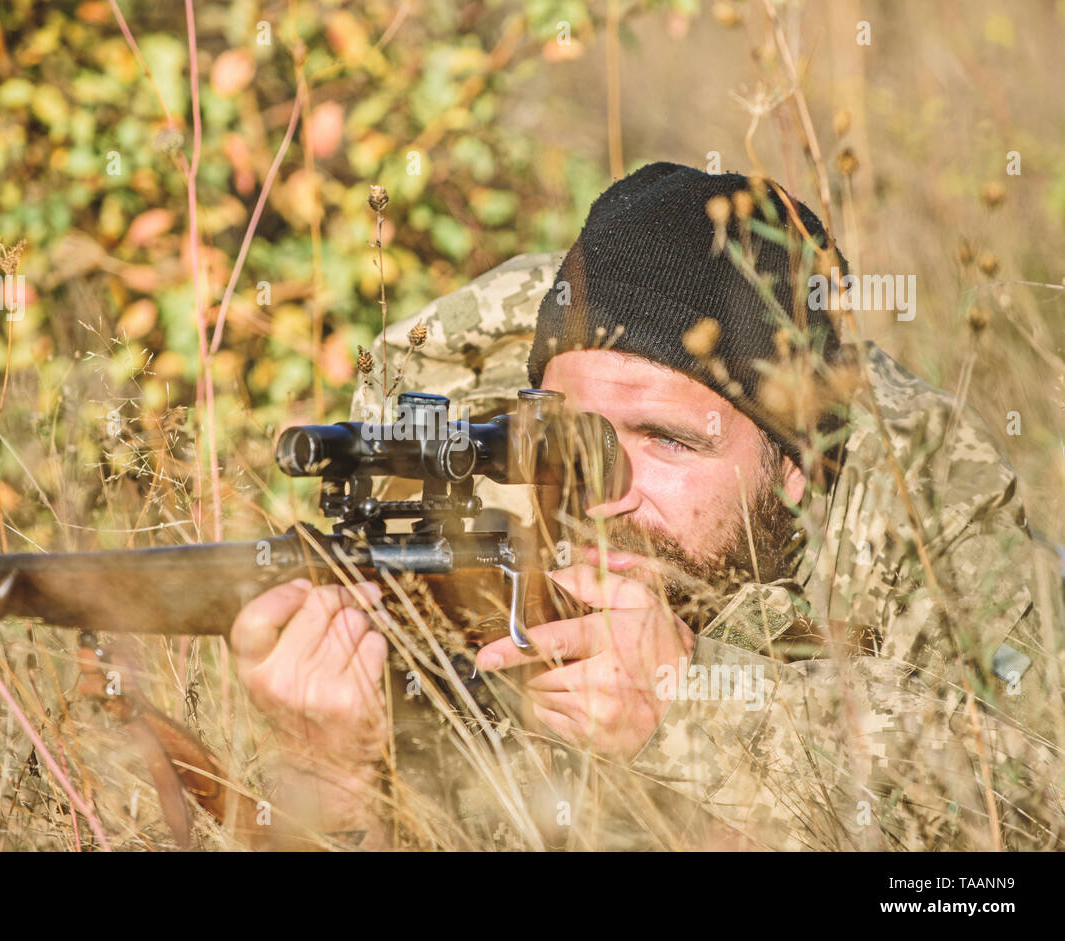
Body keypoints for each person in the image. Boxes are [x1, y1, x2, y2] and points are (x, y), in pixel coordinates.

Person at [230, 162, 1064, 850]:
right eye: (570, 434)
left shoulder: (923, 525)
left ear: (797, 467)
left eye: (668, 439)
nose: (604, 493)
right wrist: (332, 784)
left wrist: (694, 709)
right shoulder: (481, 509)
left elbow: (1024, 815)